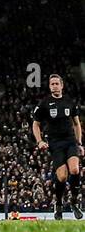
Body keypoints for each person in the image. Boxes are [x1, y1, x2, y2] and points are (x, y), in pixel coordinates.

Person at [32, 73, 83, 220]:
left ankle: (73, 202)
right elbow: (36, 124)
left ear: (62, 85)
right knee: (62, 177)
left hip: (70, 140)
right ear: (49, 86)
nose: (54, 86)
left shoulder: (69, 101)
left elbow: (76, 123)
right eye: (52, 84)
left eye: (56, 83)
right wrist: (40, 141)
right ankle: (59, 204)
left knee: (74, 169)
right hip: (55, 143)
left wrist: (79, 142)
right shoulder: (44, 103)